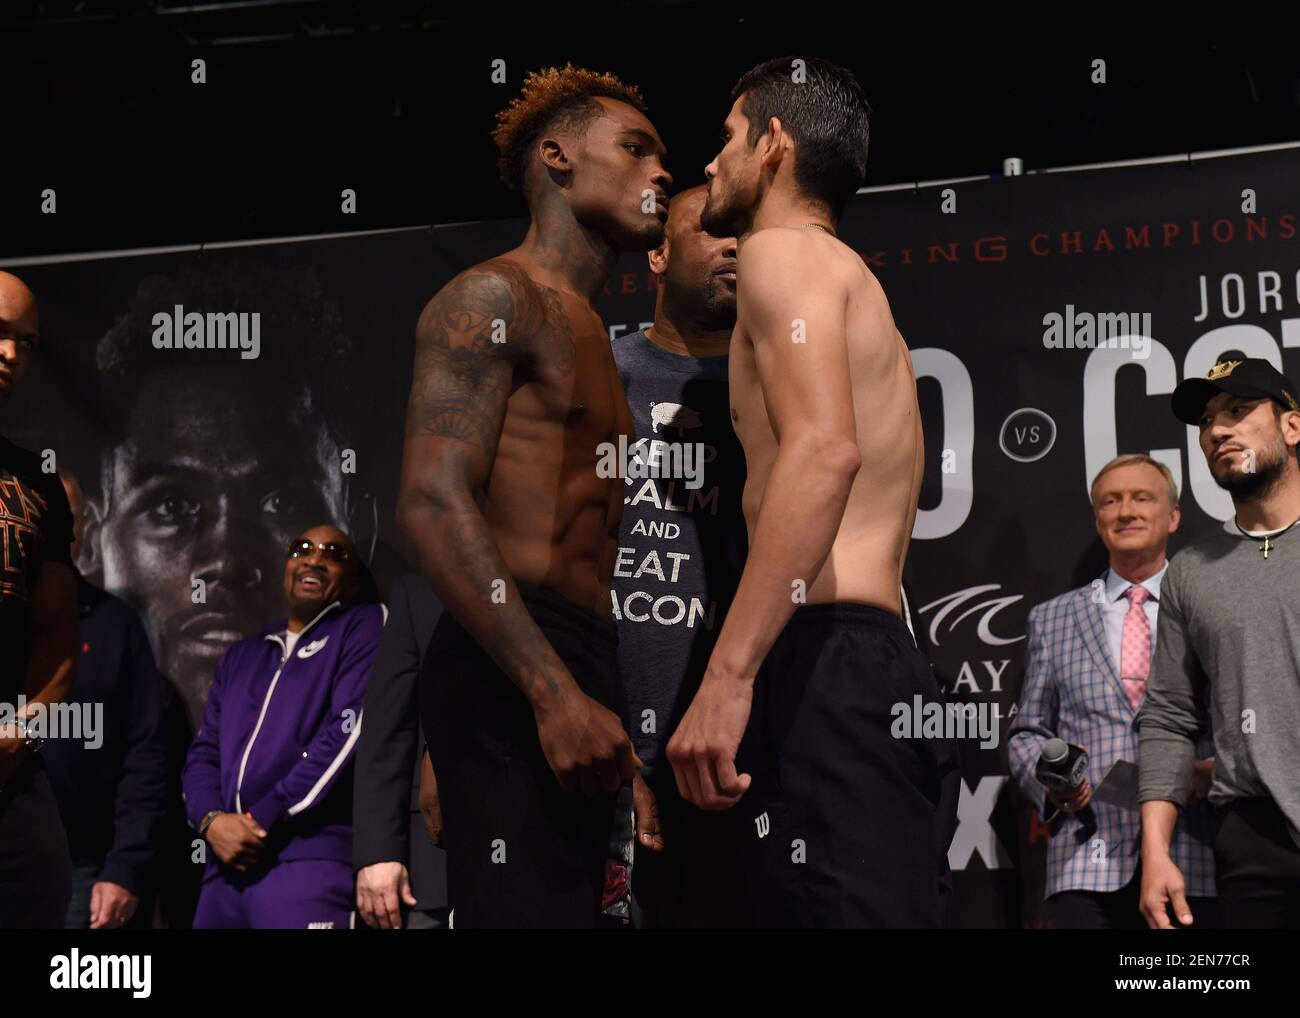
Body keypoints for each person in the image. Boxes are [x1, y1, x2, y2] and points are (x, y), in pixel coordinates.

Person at [667, 57, 959, 927]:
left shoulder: (781, 254)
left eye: (725, 140)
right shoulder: (855, 284)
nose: (711, 164)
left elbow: (826, 452)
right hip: (873, 666)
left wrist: (727, 675)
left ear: (775, 146)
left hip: (826, 661)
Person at [397, 64, 670, 928]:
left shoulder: (594, 327)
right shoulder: (493, 297)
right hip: (518, 653)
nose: (661, 173)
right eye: (636, 149)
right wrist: (546, 692)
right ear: (557, 155)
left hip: (579, 652)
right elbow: (433, 503)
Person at [608, 185, 750, 927]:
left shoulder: (780, 387)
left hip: (740, 756)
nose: (735, 246)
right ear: (657, 254)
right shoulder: (599, 370)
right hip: (598, 744)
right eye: (715, 232)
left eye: (745, 236)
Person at [1008, 455, 1217, 929]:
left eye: (1143, 498)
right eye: (1111, 500)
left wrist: (1217, 769)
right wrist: (1053, 780)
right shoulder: (1052, 619)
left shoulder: (1208, 606)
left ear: (1174, 515)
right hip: (1087, 861)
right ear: (1098, 517)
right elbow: (1026, 732)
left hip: (1196, 854)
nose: (1126, 511)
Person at [1139, 358, 1300, 929]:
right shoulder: (1191, 571)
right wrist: (1155, 851)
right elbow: (1168, 716)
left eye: (1237, 411)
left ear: (1291, 427)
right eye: (1207, 421)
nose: (1217, 431)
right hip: (1252, 844)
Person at [183, 525, 383, 929]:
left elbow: (347, 731)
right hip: (223, 866)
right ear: (287, 566)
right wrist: (211, 820)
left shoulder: (363, 625)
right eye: (302, 548)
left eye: (334, 553)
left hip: (307, 858)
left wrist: (263, 816)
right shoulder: (243, 654)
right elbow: (205, 752)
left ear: (354, 578)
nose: (314, 558)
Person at [44, 471, 170, 929]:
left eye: (64, 518)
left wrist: (124, 867)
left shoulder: (115, 626)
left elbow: (147, 758)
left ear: (84, 532)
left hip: (84, 870)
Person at [0, 270, 80, 929]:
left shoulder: (36, 484)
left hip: (6, 765)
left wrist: (17, 734)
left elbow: (56, 639)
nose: (10, 354)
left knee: (41, 891)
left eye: (24, 341)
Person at [353, 573, 449, 929]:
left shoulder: (572, 575)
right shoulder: (421, 590)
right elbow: (387, 729)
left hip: (556, 857)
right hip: (436, 864)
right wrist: (378, 853)